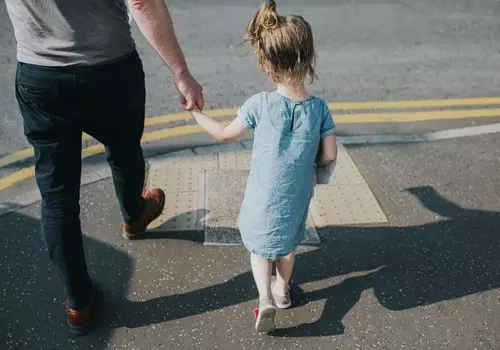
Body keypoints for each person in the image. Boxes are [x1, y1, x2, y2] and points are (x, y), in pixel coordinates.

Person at [5, 0, 203, 335]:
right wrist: (181, 72)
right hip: (110, 71)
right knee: (124, 150)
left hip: (41, 76)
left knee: (57, 198)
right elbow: (141, 2)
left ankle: (78, 303)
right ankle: (134, 213)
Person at [190, 0, 337, 333]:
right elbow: (329, 155)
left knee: (260, 249)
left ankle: (264, 300)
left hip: (261, 199)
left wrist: (195, 114)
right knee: (288, 245)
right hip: (296, 197)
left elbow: (226, 135)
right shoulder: (319, 109)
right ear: (308, 57)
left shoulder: (260, 104)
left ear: (267, 63)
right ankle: (282, 291)